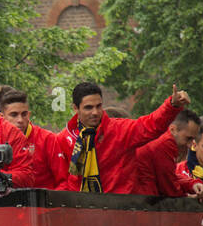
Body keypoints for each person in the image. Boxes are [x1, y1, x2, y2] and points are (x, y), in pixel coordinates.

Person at [56, 82, 189, 193]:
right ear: (75, 108)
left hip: (120, 212)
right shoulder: (64, 139)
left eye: (98, 106)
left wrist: (172, 105)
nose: (95, 112)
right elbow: (62, 181)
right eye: (88, 108)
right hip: (82, 213)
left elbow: (151, 125)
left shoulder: (120, 130)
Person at [123, 109, 203, 197]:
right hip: (143, 201)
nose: (190, 145)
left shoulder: (162, 138)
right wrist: (188, 197)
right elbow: (169, 188)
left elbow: (169, 176)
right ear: (173, 129)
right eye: (188, 138)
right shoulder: (164, 144)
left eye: (193, 139)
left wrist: (192, 184)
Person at [0, 89, 65, 189]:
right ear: (1, 117)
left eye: (24, 114)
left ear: (29, 114)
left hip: (43, 202)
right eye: (14, 115)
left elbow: (64, 180)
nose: (20, 120)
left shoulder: (47, 139)